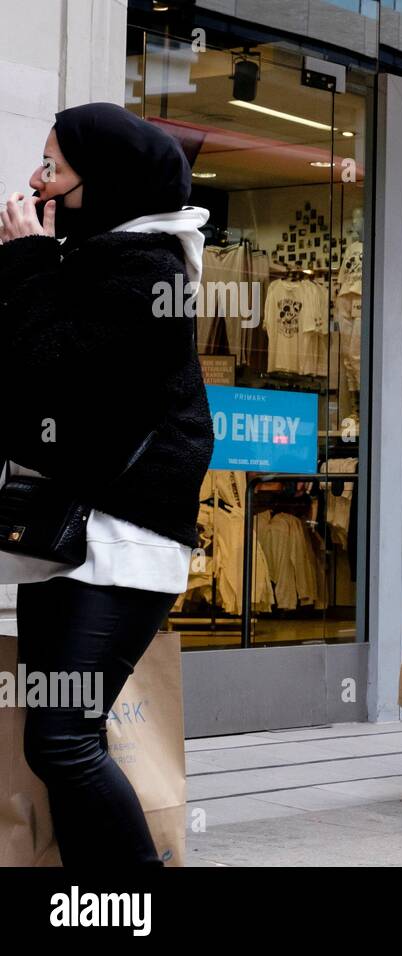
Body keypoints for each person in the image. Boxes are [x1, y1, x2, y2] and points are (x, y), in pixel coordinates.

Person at [0, 103, 214, 865]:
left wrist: (26, 263)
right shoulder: (90, 259)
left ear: (109, 183)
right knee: (54, 744)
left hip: (120, 541)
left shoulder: (149, 271)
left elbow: (52, 376)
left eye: (53, 167)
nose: (34, 180)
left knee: (65, 743)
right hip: (68, 538)